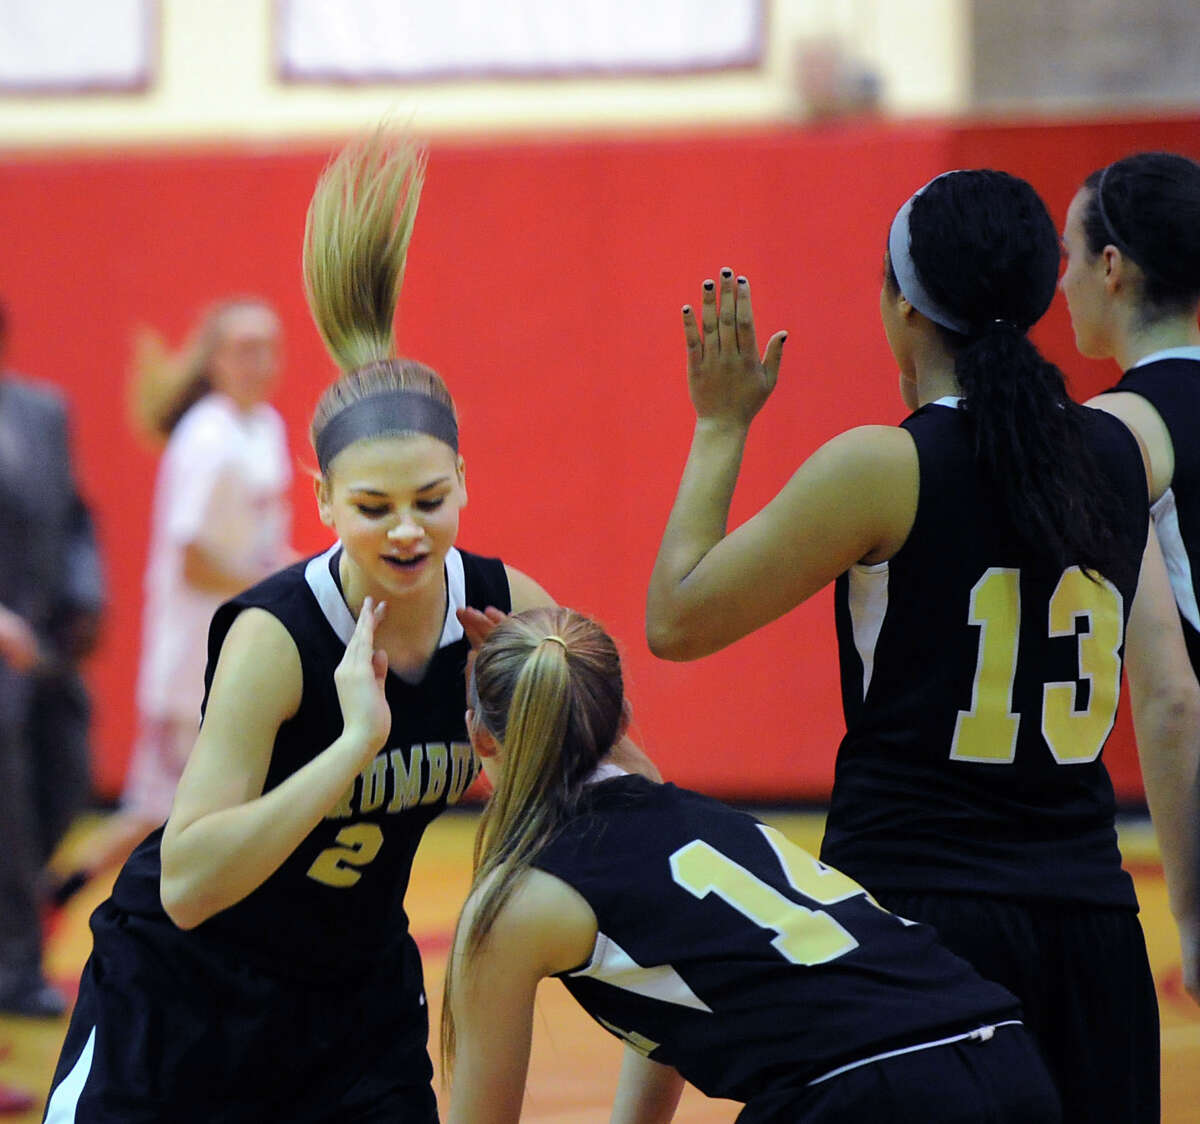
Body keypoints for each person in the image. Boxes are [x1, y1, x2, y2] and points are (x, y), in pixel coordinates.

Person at [43, 131, 653, 1123]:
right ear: (323, 499)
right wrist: (354, 745)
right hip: (188, 994)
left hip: (350, 1010)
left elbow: (631, 775)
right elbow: (189, 880)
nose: (406, 527)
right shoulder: (279, 634)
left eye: (430, 497)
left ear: (465, 484)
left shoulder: (505, 606)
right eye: (374, 506)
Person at [644, 169, 1200, 1123]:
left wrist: (721, 425)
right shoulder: (1118, 453)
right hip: (1091, 934)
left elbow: (677, 620)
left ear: (905, 306)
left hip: (915, 930)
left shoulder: (882, 465)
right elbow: (1173, 693)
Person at [442, 606, 1061, 1123]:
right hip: (1007, 1056)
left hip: (861, 1093)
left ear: (478, 735)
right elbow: (668, 1022)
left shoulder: (515, 901)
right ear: (624, 718)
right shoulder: (689, 820)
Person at [52, 295, 295, 902]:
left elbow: (261, 544)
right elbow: (194, 557)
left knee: (201, 808)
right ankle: (52, 895)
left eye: (269, 348)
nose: (260, 362)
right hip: (190, 666)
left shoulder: (264, 426)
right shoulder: (206, 437)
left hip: (234, 656)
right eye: (244, 349)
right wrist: (276, 587)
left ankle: (59, 895)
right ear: (213, 359)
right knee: (161, 812)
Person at [1060, 151, 1200, 1003]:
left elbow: (1172, 697)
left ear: (1112, 268)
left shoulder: (1116, 432)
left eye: (1068, 257)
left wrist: (1190, 913)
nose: (1060, 282)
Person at [0, 298, 104, 1020]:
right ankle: (17, 968)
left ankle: (16, 934)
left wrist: (85, 595)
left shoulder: (40, 410)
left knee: (65, 775)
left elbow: (75, 517)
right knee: (5, 806)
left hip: (41, 646)